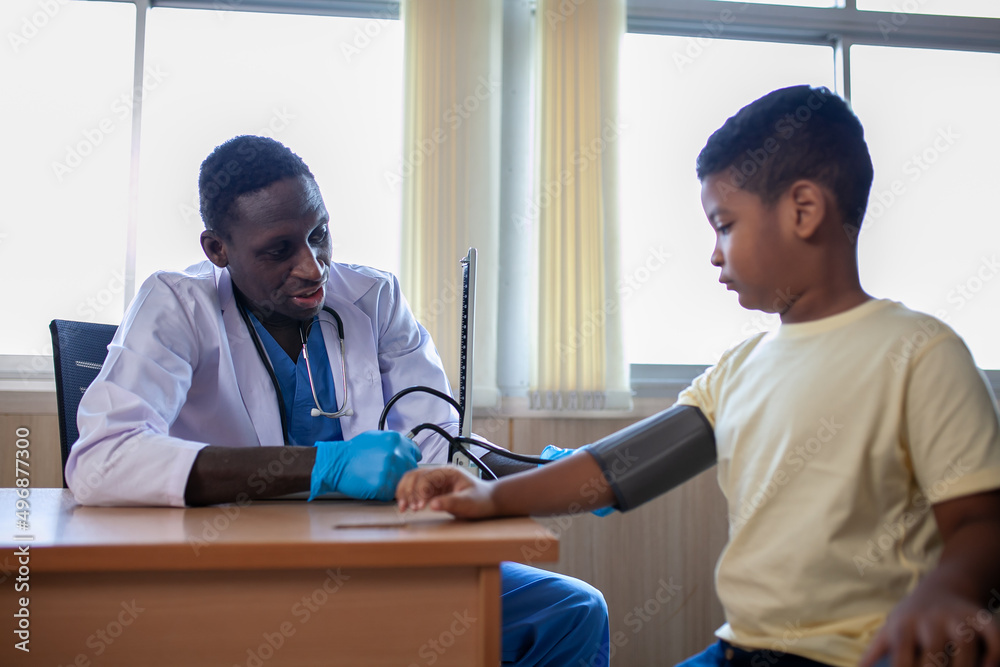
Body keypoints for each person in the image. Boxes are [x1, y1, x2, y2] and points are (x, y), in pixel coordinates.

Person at [395, 85, 1000, 667]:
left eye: (725, 225)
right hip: (744, 648)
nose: (714, 253)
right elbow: (615, 469)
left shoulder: (919, 353)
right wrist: (488, 495)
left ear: (804, 210)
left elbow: (978, 520)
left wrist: (945, 592)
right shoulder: (739, 370)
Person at [64, 134, 609, 666]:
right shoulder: (178, 305)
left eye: (319, 234)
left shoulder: (373, 299)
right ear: (218, 249)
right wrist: (324, 466)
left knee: (573, 611)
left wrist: (553, 471)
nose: (312, 266)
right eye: (279, 250)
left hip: (378, 561)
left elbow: (437, 444)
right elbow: (101, 460)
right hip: (242, 574)